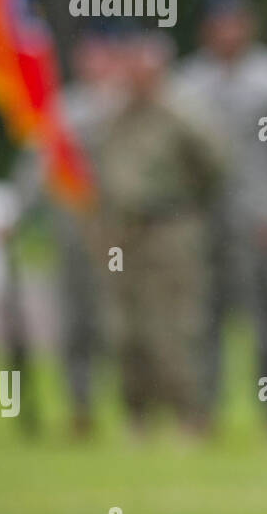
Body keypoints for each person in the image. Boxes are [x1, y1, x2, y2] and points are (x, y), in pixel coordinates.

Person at [173, 0, 267, 432]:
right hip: (204, 220)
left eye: (235, 21)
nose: (228, 32)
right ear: (205, 30)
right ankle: (203, 410)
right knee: (201, 318)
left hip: (261, 218)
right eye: (219, 23)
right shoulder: (186, 85)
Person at [93, 31, 224, 431]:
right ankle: (138, 416)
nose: (134, 75)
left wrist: (182, 205)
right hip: (125, 234)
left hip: (171, 228)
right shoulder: (113, 117)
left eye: (142, 67)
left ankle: (192, 415)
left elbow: (215, 166)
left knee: (179, 325)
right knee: (127, 327)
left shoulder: (182, 114)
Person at [9, 20, 123, 437]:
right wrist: (17, 215)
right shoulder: (62, 110)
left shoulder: (134, 104)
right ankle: (81, 406)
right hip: (74, 230)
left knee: (123, 324)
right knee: (74, 320)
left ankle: (137, 408)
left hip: (126, 234)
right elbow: (37, 166)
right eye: (89, 53)